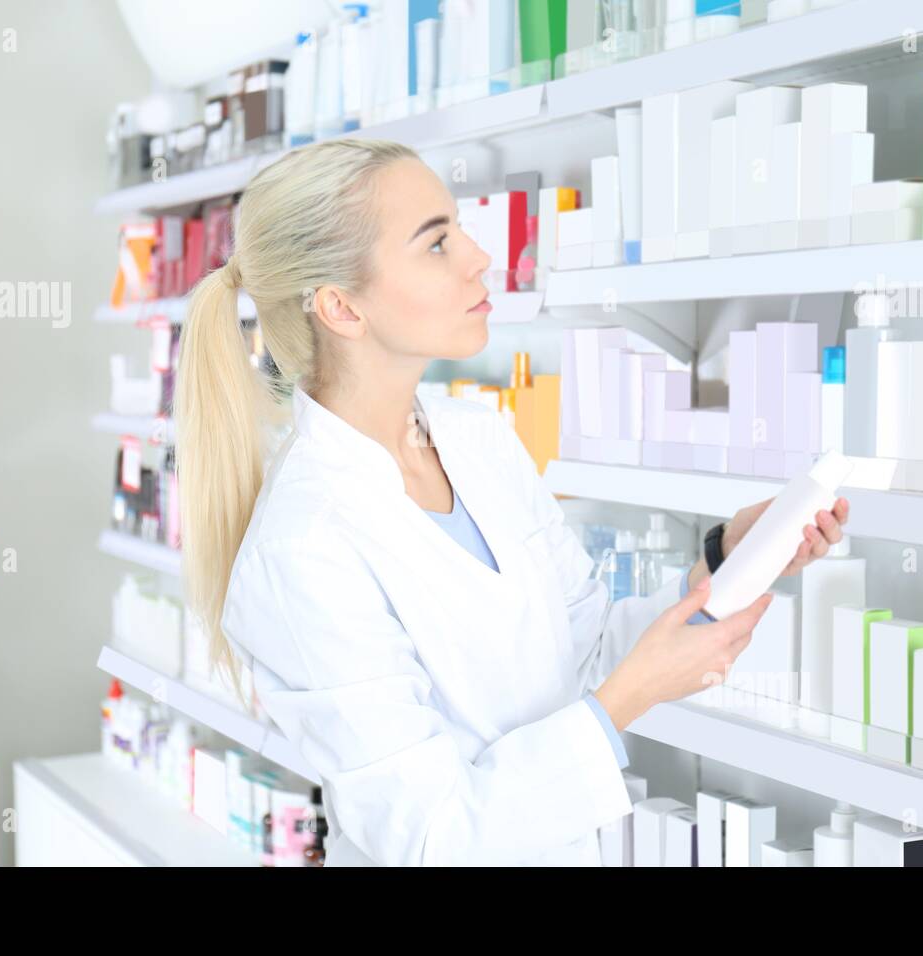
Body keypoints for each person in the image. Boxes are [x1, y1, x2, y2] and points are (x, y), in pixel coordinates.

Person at [174, 138, 848, 866]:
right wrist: (628, 698)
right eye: (436, 244)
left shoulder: (476, 439)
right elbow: (431, 836)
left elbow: (583, 648)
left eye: (458, 228)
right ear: (341, 307)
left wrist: (724, 565)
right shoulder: (302, 546)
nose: (478, 257)